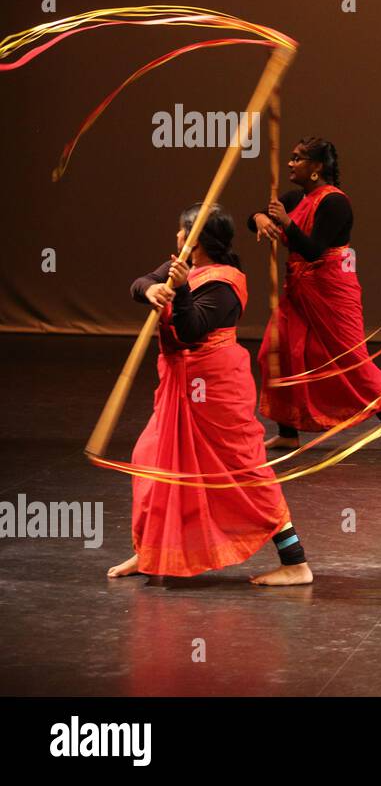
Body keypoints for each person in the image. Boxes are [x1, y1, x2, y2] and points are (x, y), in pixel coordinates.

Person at [107, 204, 313, 585]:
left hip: (214, 391)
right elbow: (140, 283)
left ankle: (296, 562)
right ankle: (151, 552)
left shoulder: (225, 284)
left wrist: (180, 288)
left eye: (182, 232)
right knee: (152, 461)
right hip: (178, 386)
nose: (177, 238)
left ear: (196, 240)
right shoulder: (185, 267)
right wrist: (152, 287)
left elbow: (189, 330)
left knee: (243, 471)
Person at [249, 137, 381, 455]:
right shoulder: (296, 197)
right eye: (291, 158)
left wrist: (284, 221)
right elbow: (258, 216)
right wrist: (259, 218)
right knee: (278, 351)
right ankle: (288, 432)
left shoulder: (336, 203)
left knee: (349, 360)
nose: (290, 163)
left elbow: (312, 250)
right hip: (298, 288)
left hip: (330, 289)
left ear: (316, 167)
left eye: (297, 159)